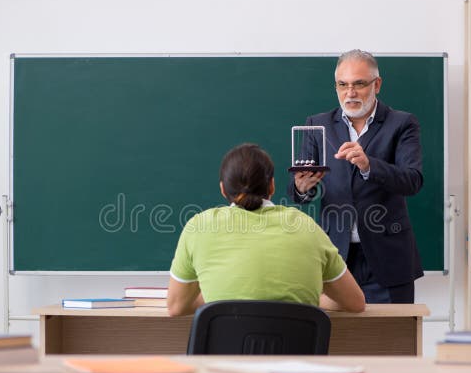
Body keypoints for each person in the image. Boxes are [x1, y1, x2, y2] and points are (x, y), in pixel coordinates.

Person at [288, 49, 423, 304]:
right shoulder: (318, 125)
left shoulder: (402, 123)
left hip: (389, 258)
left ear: (377, 84)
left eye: (359, 84)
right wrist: (302, 187)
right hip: (335, 259)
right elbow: (299, 191)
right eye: (343, 85)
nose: (350, 93)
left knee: (392, 340)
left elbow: (412, 180)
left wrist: (368, 165)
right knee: (339, 342)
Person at [167, 143, 365, 317]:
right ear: (272, 186)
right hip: (294, 358)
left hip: (227, 358)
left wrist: (217, 299)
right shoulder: (306, 226)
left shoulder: (198, 227)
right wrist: (311, 301)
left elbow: (176, 307)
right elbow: (355, 303)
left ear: (223, 189)